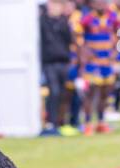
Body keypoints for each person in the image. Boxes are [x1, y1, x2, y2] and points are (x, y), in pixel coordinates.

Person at [77, 0, 119, 133]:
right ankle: (88, 124)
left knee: (105, 94)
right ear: (92, 4)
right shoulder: (87, 19)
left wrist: (115, 51)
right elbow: (77, 37)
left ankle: (101, 123)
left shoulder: (113, 17)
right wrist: (83, 53)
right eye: (98, 2)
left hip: (107, 62)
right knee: (90, 93)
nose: (101, 4)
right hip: (92, 64)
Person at [40, 0, 74, 133]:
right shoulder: (42, 21)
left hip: (63, 61)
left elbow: (69, 40)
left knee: (63, 93)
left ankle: (61, 122)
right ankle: (51, 122)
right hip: (49, 62)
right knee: (53, 92)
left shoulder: (63, 22)